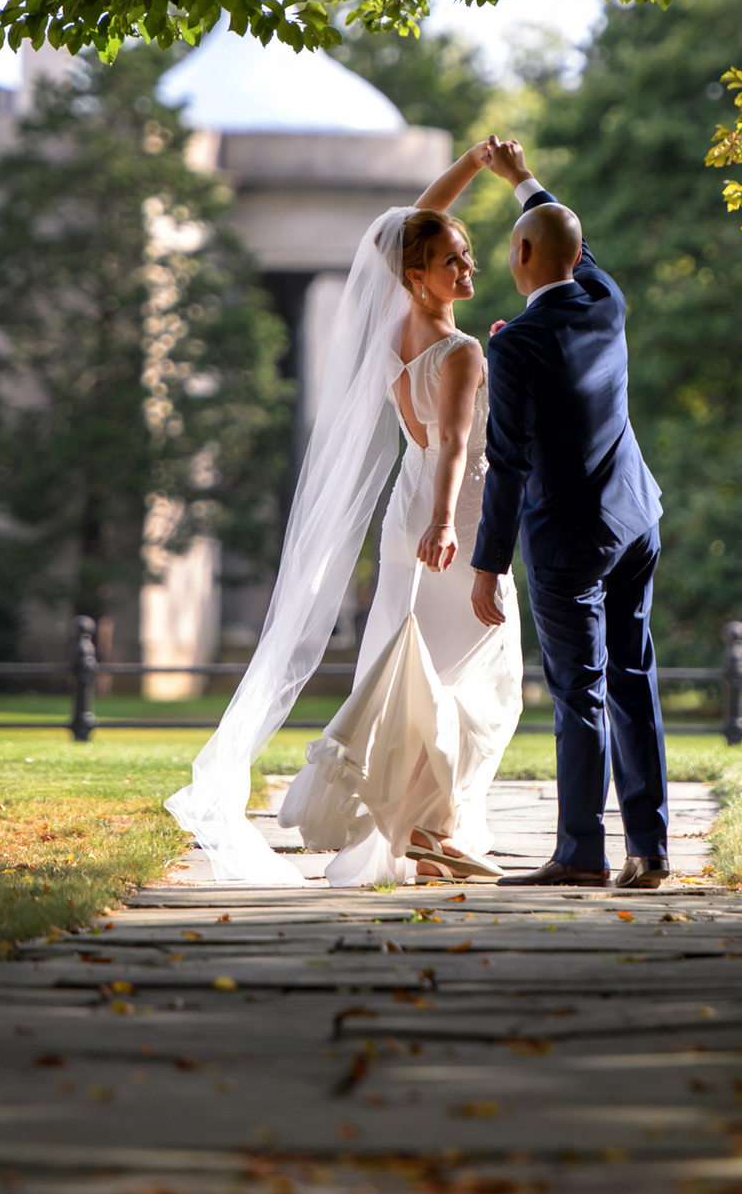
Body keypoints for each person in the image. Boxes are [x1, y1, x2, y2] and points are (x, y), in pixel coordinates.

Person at [168, 139, 524, 885]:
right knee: (480, 678)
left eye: (467, 256)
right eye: (453, 259)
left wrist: (469, 164)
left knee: (415, 674)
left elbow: (416, 223)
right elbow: (457, 441)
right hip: (447, 515)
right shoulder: (458, 351)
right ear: (416, 274)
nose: (469, 267)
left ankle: (422, 831)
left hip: (407, 512)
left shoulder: (395, 328)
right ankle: (434, 826)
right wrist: (449, 523)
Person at [469, 143, 670, 890]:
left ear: (521, 252)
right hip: (635, 517)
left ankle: (582, 850)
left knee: (579, 692)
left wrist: (486, 565)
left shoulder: (516, 344)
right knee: (633, 675)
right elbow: (573, 242)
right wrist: (524, 181)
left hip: (568, 538)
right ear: (579, 258)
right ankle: (649, 849)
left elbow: (508, 464)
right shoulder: (605, 300)